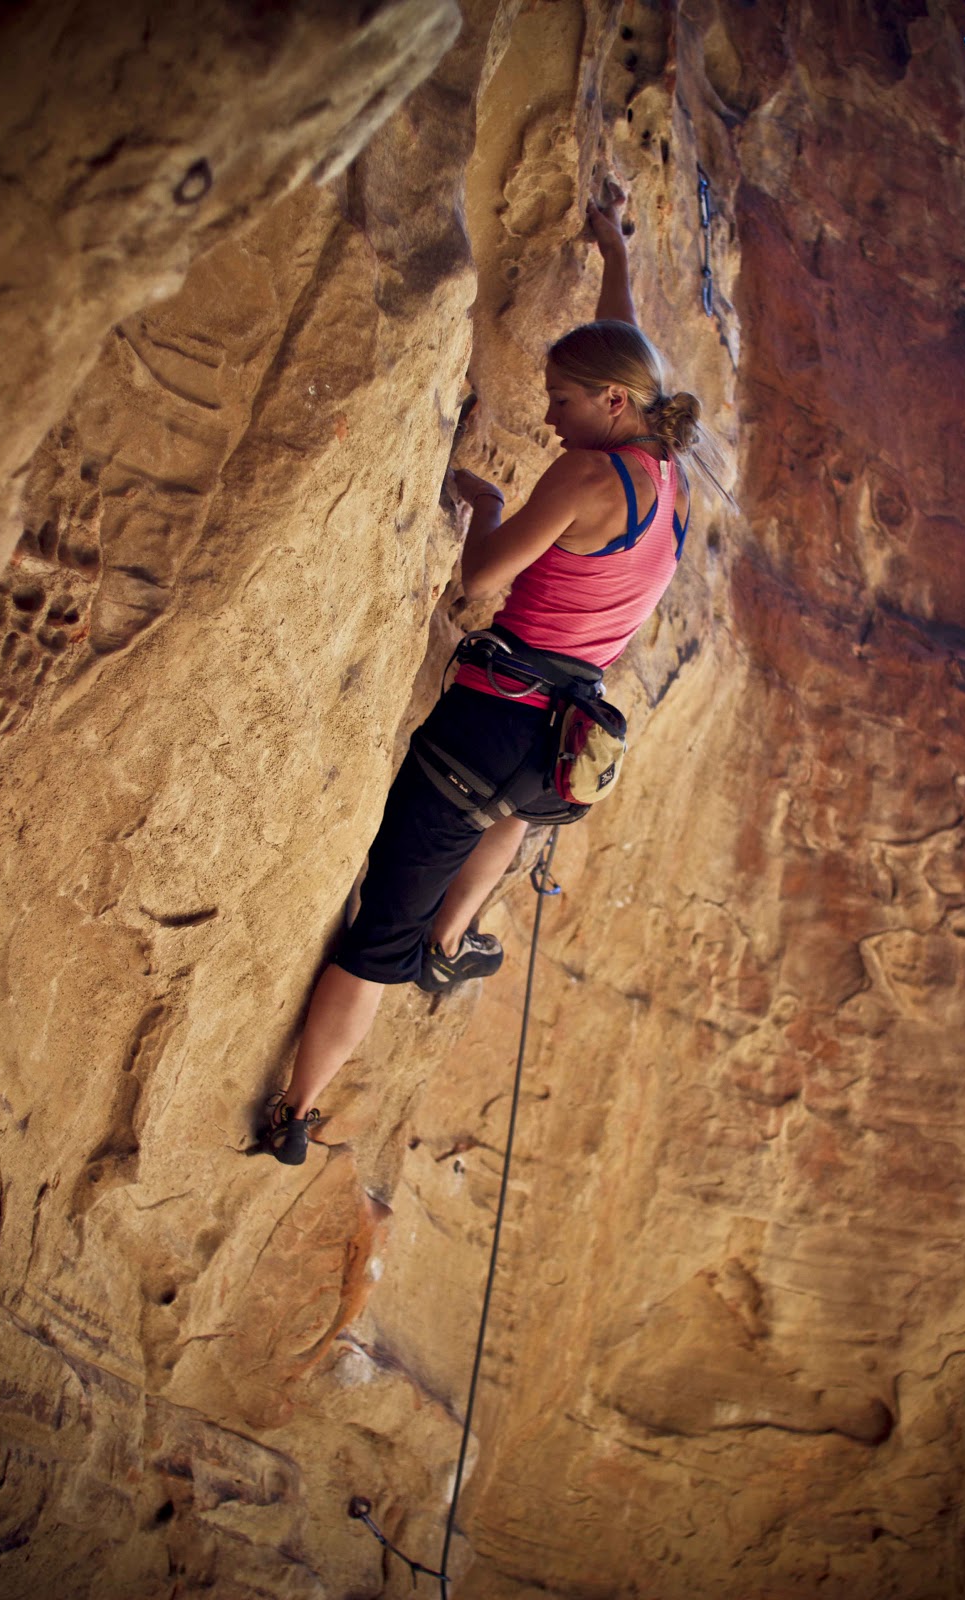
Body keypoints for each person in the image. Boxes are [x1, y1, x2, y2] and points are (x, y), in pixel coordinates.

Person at [262, 181, 715, 1164]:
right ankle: (454, 938)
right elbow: (626, 341)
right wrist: (612, 247)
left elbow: (478, 577)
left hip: (487, 724)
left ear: (610, 403)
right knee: (514, 818)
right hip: (566, 741)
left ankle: (295, 1113)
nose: (549, 417)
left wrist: (487, 497)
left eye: (560, 400)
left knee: (377, 934)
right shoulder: (666, 469)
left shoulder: (585, 474)